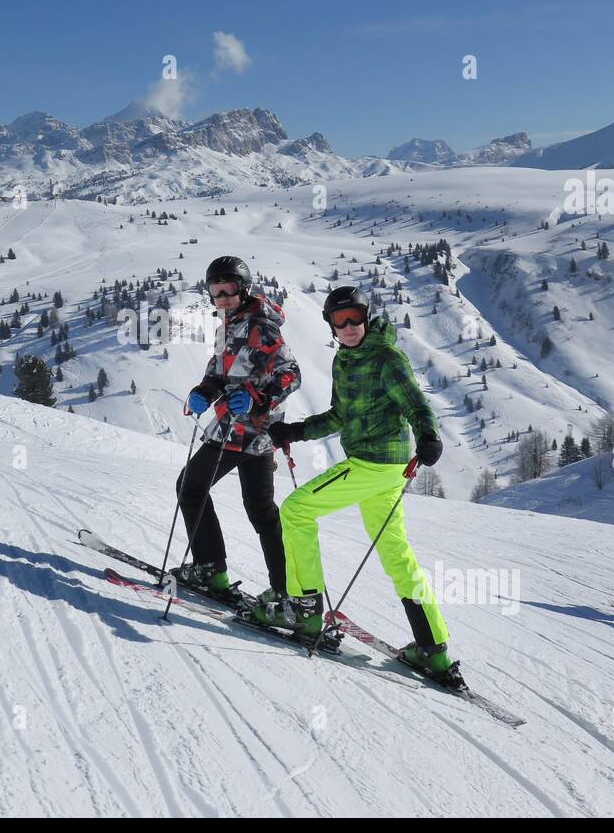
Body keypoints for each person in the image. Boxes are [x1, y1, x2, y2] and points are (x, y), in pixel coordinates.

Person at [259, 285, 452, 677]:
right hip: (386, 472)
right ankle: (433, 648)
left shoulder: (386, 357)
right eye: (339, 320)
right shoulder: (344, 361)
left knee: (296, 509)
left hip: (375, 463)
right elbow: (338, 417)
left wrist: (429, 436)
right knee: (395, 552)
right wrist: (295, 432)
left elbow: (416, 403)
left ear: (366, 317)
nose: (348, 327)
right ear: (330, 325)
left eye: (355, 318)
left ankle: (305, 611)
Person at [175, 256, 300, 602]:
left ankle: (213, 569)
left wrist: (259, 399)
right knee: (260, 509)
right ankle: (286, 591)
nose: (222, 296)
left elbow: (291, 375)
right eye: (215, 291)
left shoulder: (263, 326)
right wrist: (203, 392)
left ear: (243, 289)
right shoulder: (226, 328)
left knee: (190, 487)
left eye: (228, 288)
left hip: (248, 429)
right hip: (240, 430)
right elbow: (218, 374)